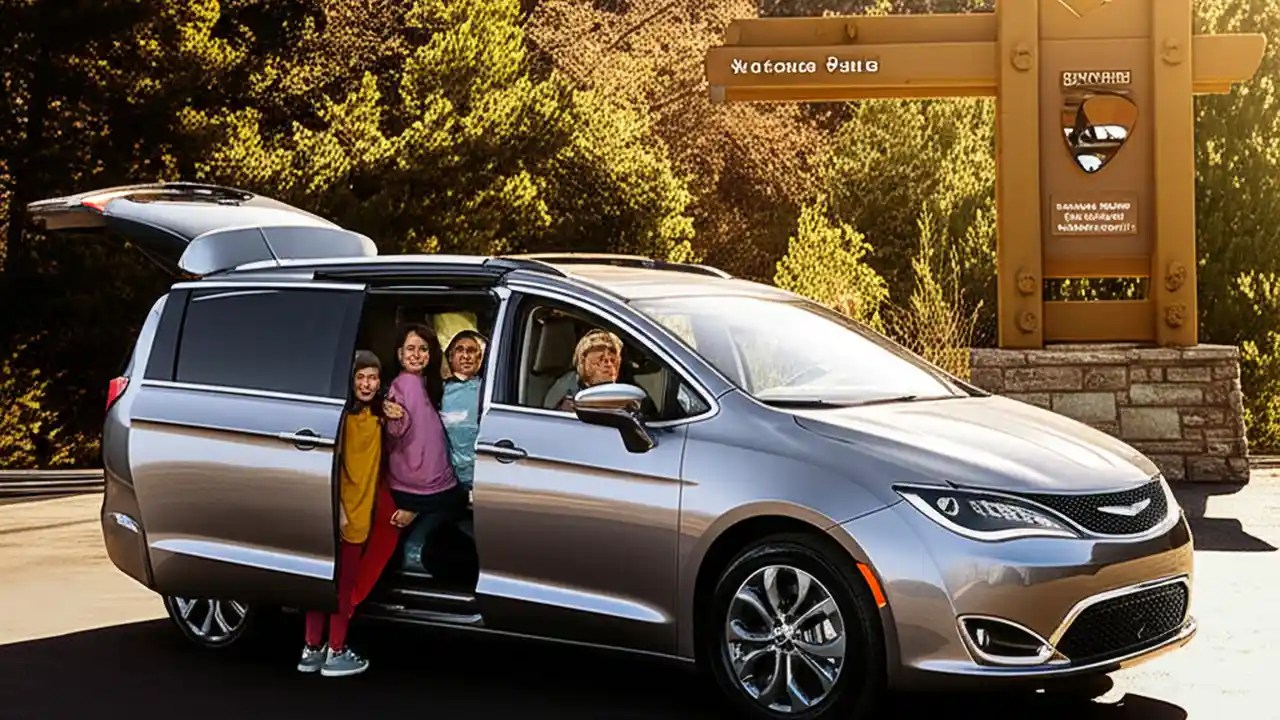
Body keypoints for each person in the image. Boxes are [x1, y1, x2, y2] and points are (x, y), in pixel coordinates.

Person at [298, 350, 398, 677]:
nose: (367, 384)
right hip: (344, 512)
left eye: (373, 378)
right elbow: (333, 467)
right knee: (339, 584)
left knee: (329, 582)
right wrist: (338, 508)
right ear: (349, 380)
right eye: (360, 377)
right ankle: (333, 649)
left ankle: (313, 648)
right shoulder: (341, 421)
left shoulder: (377, 416)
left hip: (362, 509)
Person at [382, 323, 468, 571]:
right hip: (418, 480)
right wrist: (392, 415)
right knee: (458, 502)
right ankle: (416, 510)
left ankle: (418, 513)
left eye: (423, 349)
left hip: (426, 476)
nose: (417, 355)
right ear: (399, 354)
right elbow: (395, 430)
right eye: (410, 349)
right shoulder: (404, 384)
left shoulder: (425, 383)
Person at [543, 328, 657, 416]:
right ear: (583, 362)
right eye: (600, 360)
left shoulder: (631, 392)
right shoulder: (567, 386)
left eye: (613, 360)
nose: (608, 364)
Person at [440, 329, 486, 495]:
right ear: (450, 357)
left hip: (483, 475)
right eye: (460, 350)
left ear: (479, 359)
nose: (466, 356)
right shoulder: (438, 392)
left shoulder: (487, 390)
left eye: (472, 351)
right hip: (448, 480)